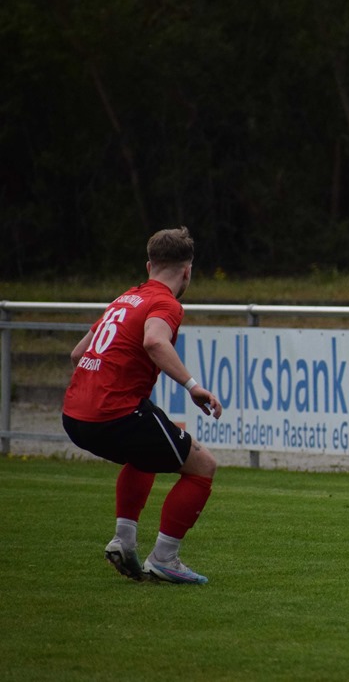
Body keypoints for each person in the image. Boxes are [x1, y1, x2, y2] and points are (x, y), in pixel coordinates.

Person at [62, 226, 223, 583]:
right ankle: (165, 558)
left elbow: (77, 354)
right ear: (187, 270)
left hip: (75, 415)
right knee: (202, 466)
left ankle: (124, 541)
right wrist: (193, 386)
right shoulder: (166, 302)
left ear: (149, 265)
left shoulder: (124, 298)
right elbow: (155, 341)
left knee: (146, 453)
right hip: (116, 412)